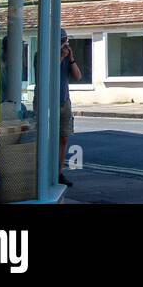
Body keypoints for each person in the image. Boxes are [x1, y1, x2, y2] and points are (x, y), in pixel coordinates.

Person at [58, 29, 82, 186]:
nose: (64, 44)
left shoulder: (67, 58)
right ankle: (47, 170)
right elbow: (48, 72)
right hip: (48, 102)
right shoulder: (42, 54)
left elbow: (78, 76)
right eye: (62, 41)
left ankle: (59, 172)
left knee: (64, 137)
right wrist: (60, 57)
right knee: (48, 139)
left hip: (64, 101)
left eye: (66, 41)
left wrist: (71, 59)